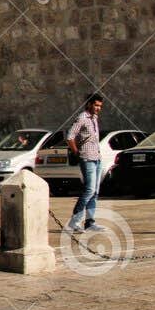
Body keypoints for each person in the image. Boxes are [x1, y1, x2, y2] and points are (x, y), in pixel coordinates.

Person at [64, 94, 104, 233]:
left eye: (100, 106)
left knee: (95, 192)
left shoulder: (94, 118)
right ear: (89, 104)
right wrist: (76, 152)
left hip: (97, 158)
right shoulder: (82, 118)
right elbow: (70, 136)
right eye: (96, 105)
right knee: (89, 190)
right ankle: (74, 222)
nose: (98, 108)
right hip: (87, 158)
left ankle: (90, 222)